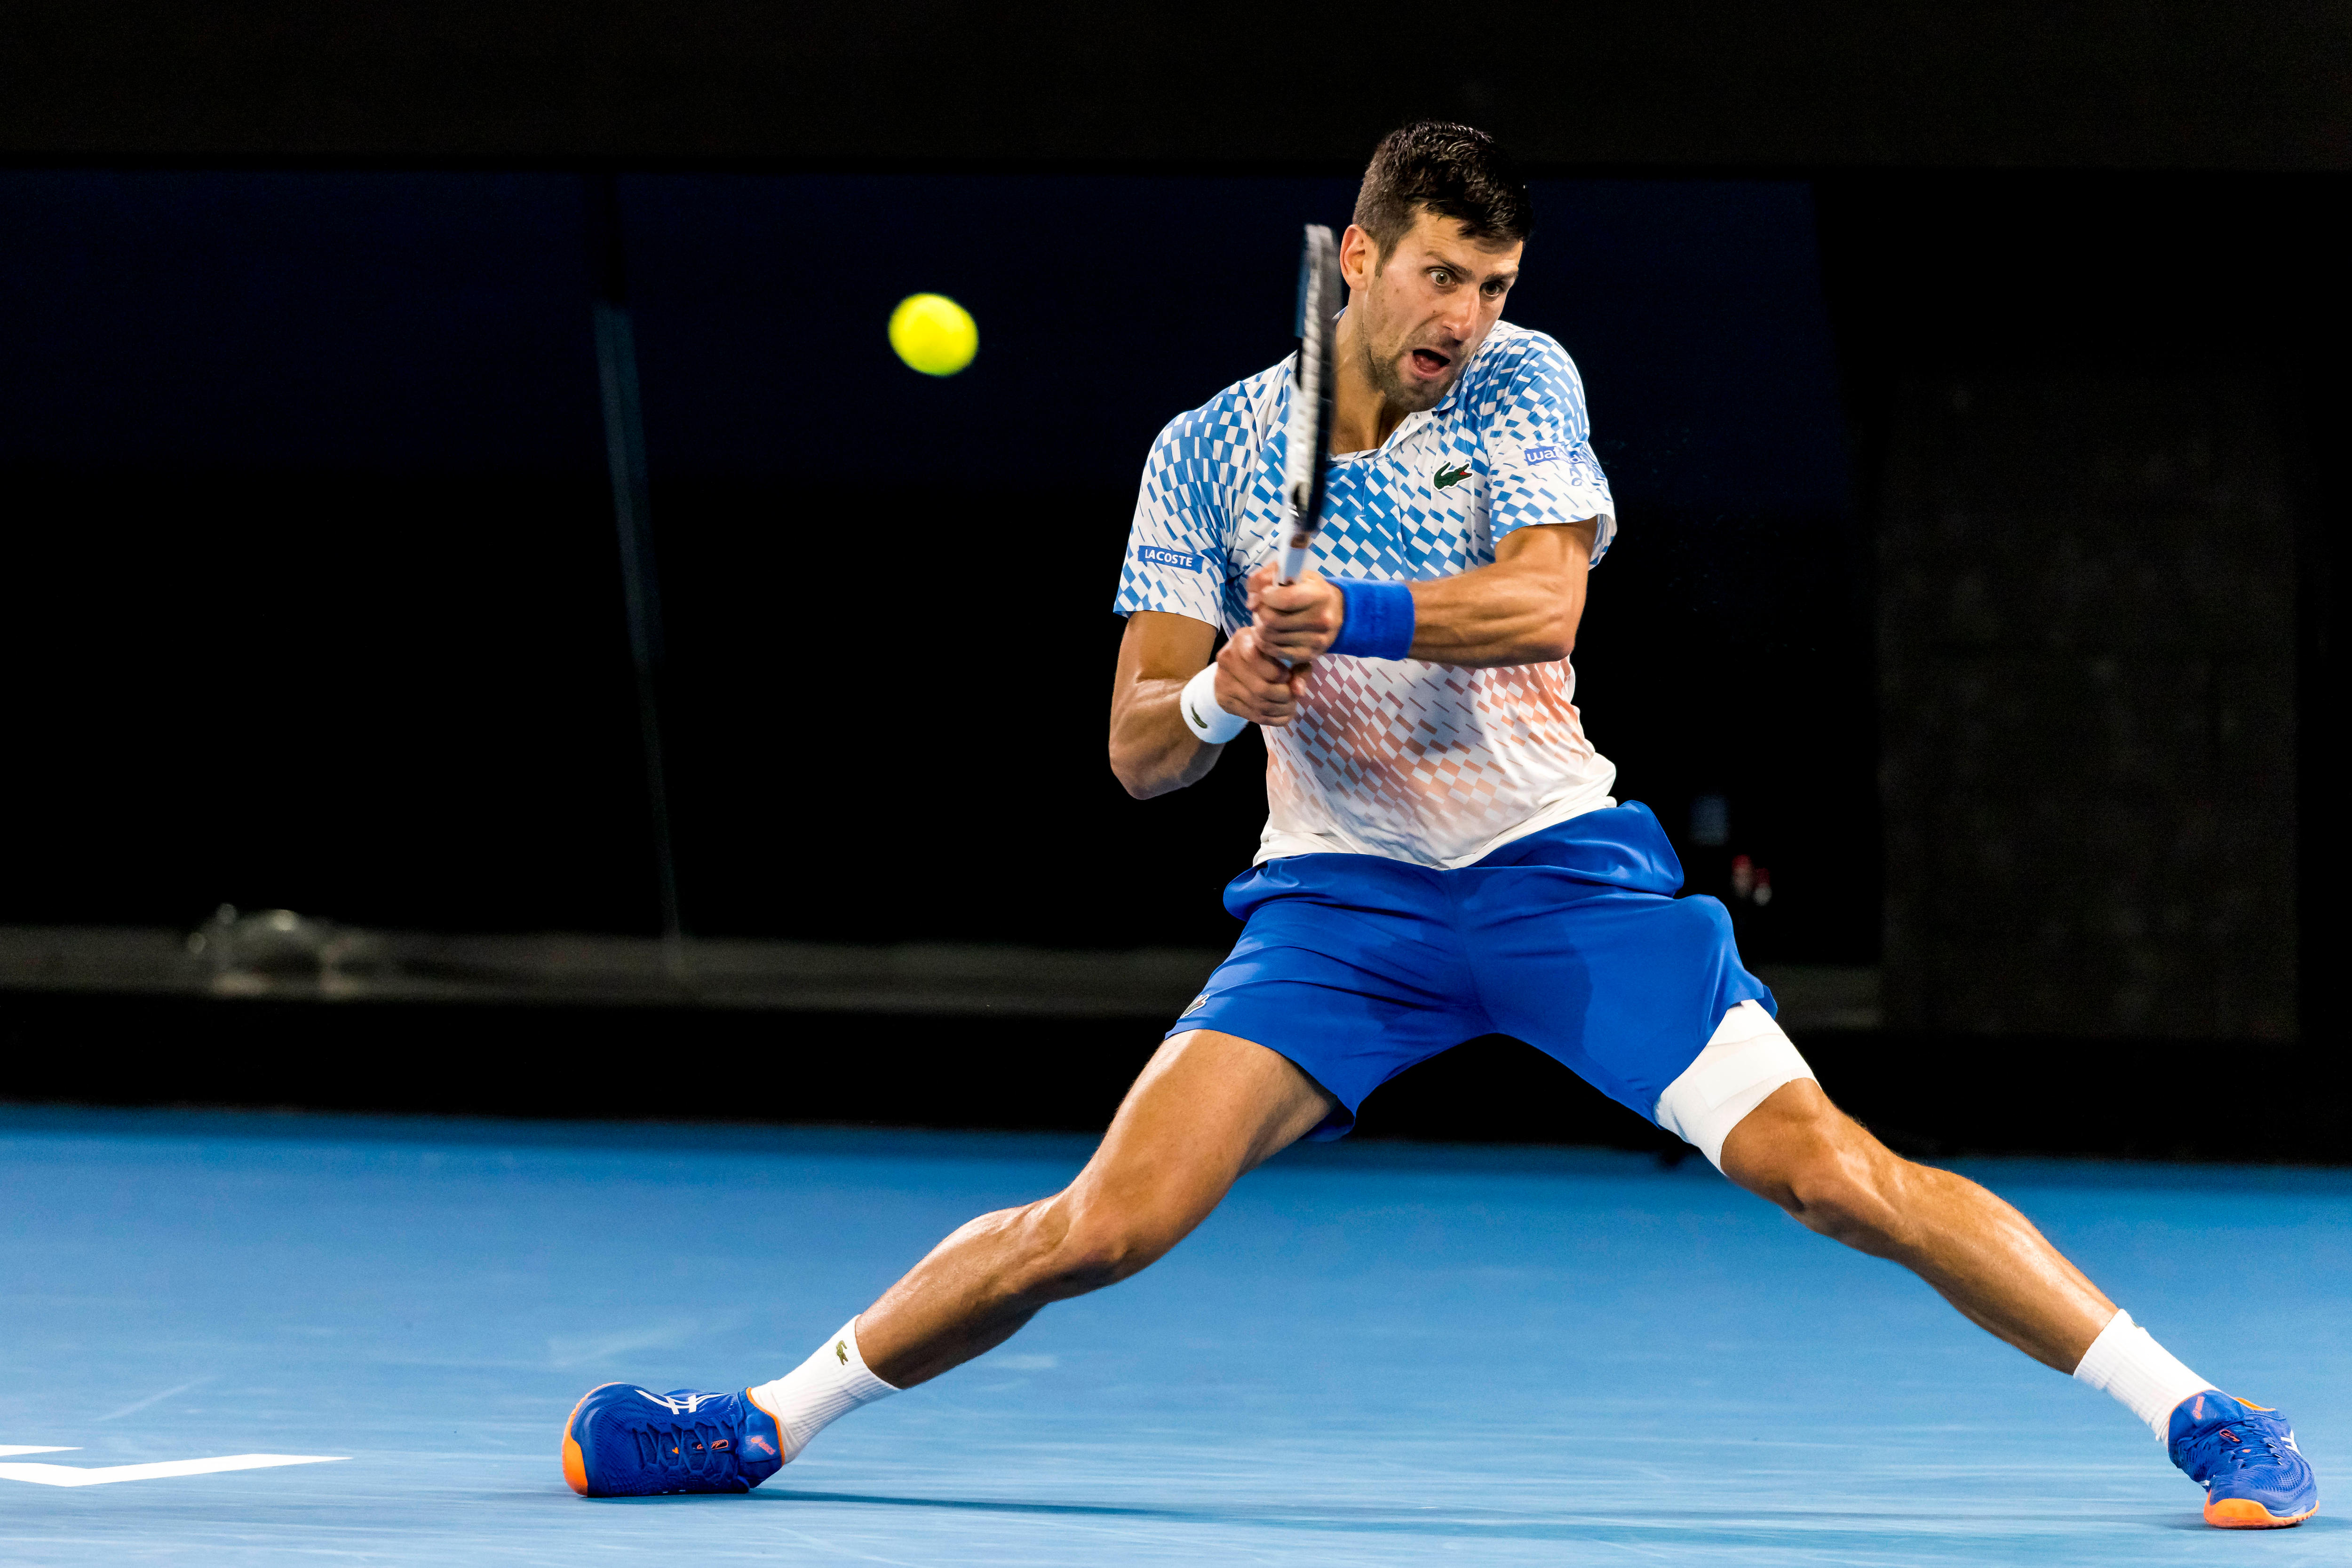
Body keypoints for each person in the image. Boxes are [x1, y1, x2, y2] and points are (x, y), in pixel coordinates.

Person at [558, 122, 2316, 1529]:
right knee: (1105, 1224)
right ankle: (765, 1424)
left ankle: (2200, 1412)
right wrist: (1228, 693)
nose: (1464, 313)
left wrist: (1357, 617)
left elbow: (1544, 607)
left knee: (1836, 1178)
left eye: (1492, 280)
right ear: (1359, 253)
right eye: (1442, 275)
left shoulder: (1525, 385)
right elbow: (1133, 753)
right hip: (1340, 911)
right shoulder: (1205, 455)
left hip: (1558, 875)